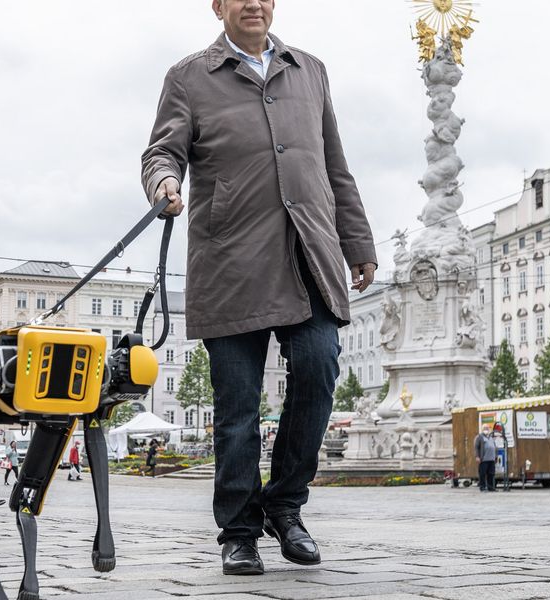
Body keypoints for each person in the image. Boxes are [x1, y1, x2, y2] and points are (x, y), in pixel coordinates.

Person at [141, 0, 376, 576]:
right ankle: (240, 532)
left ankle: (286, 505)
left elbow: (335, 166)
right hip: (229, 261)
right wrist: (166, 181)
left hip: (307, 253)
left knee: (319, 373)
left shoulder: (309, 69)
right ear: (217, 6)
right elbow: (162, 151)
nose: (254, 3)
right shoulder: (190, 76)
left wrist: (358, 243)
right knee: (237, 408)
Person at [474, 426, 496, 492]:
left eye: (487, 429)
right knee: (482, 474)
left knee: (491, 474)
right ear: (482, 429)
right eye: (485, 429)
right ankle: (482, 487)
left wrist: (496, 456)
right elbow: (476, 447)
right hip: (484, 459)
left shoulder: (491, 437)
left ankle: (490, 487)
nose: (486, 430)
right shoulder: (479, 437)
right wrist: (477, 456)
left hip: (491, 459)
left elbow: (494, 447)